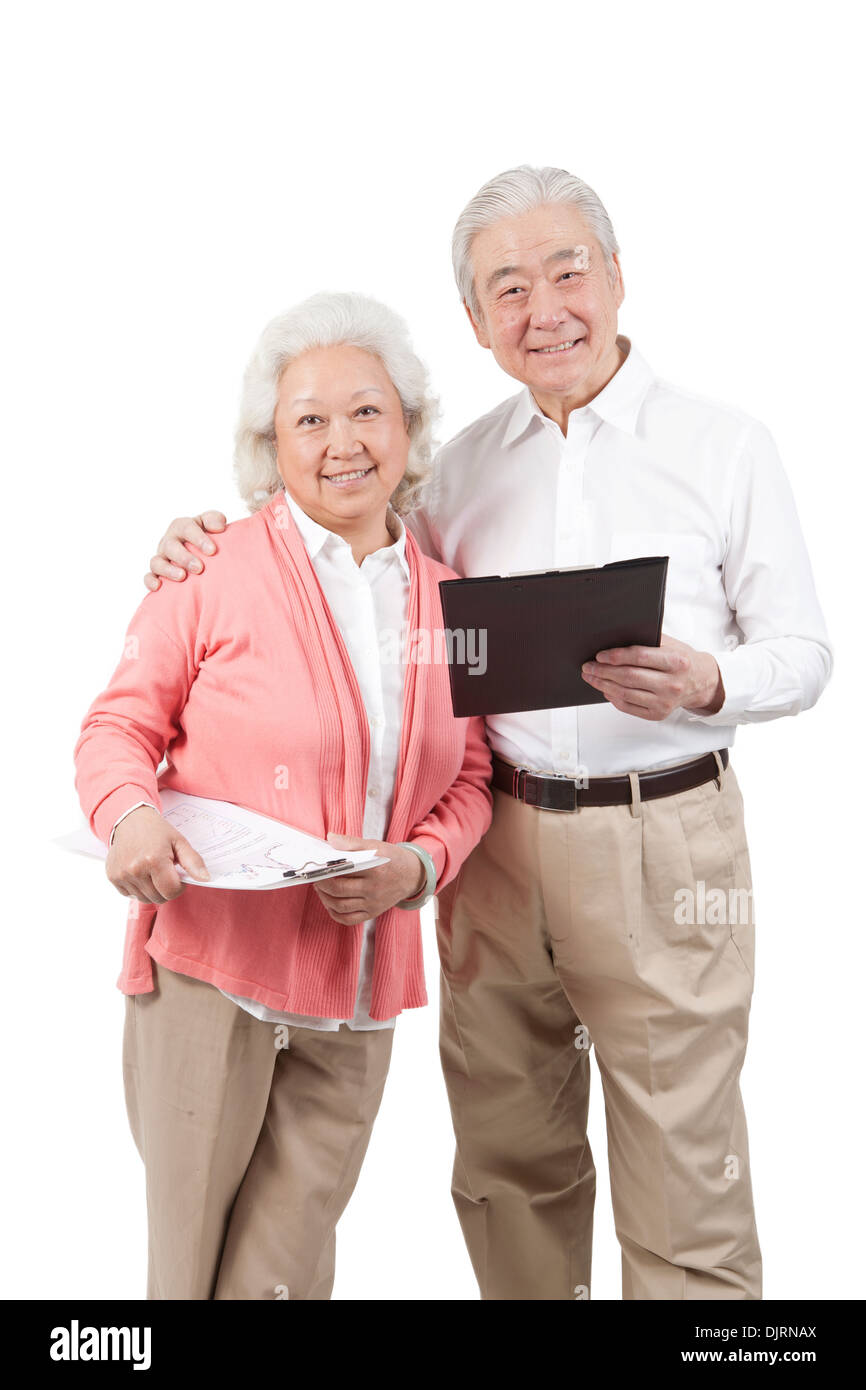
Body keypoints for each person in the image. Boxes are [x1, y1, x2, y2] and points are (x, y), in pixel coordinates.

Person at [142, 166, 832, 1301]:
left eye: (567, 270)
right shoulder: (457, 469)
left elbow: (802, 655)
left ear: (616, 276)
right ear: (475, 322)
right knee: (507, 1158)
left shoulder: (723, 445)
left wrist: (706, 677)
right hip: (494, 847)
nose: (543, 306)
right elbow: (334, 548)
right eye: (505, 288)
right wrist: (192, 541)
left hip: (659, 839)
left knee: (681, 1166)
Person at [74, 291, 493, 1301]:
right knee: (188, 1274)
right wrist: (129, 816)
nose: (341, 441)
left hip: (355, 988)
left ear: (408, 427)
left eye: (366, 411)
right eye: (309, 419)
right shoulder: (208, 567)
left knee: (283, 1278)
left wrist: (417, 865)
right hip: (212, 972)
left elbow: (472, 778)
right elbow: (116, 728)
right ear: (272, 442)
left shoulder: (454, 600)